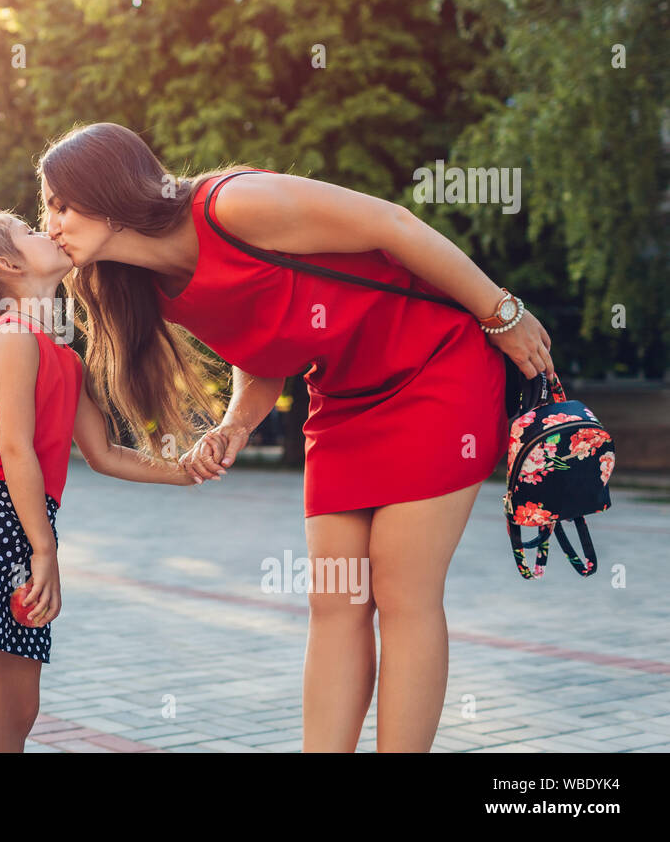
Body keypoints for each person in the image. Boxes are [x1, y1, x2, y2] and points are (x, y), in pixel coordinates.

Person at [37, 122, 555, 753]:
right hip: (341, 399)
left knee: (401, 592)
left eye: (61, 203)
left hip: (434, 363)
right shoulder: (149, 287)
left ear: (109, 189)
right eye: (47, 208)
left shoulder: (229, 205)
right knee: (335, 599)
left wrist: (501, 313)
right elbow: (266, 346)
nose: (51, 222)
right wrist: (234, 425)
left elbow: (393, 225)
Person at [0, 210, 196, 753]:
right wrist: (44, 548)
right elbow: (14, 450)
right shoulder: (10, 337)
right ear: (9, 264)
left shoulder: (62, 356)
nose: (48, 231)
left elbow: (103, 454)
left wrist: (185, 471)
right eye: (29, 231)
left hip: (25, 536)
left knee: (17, 714)